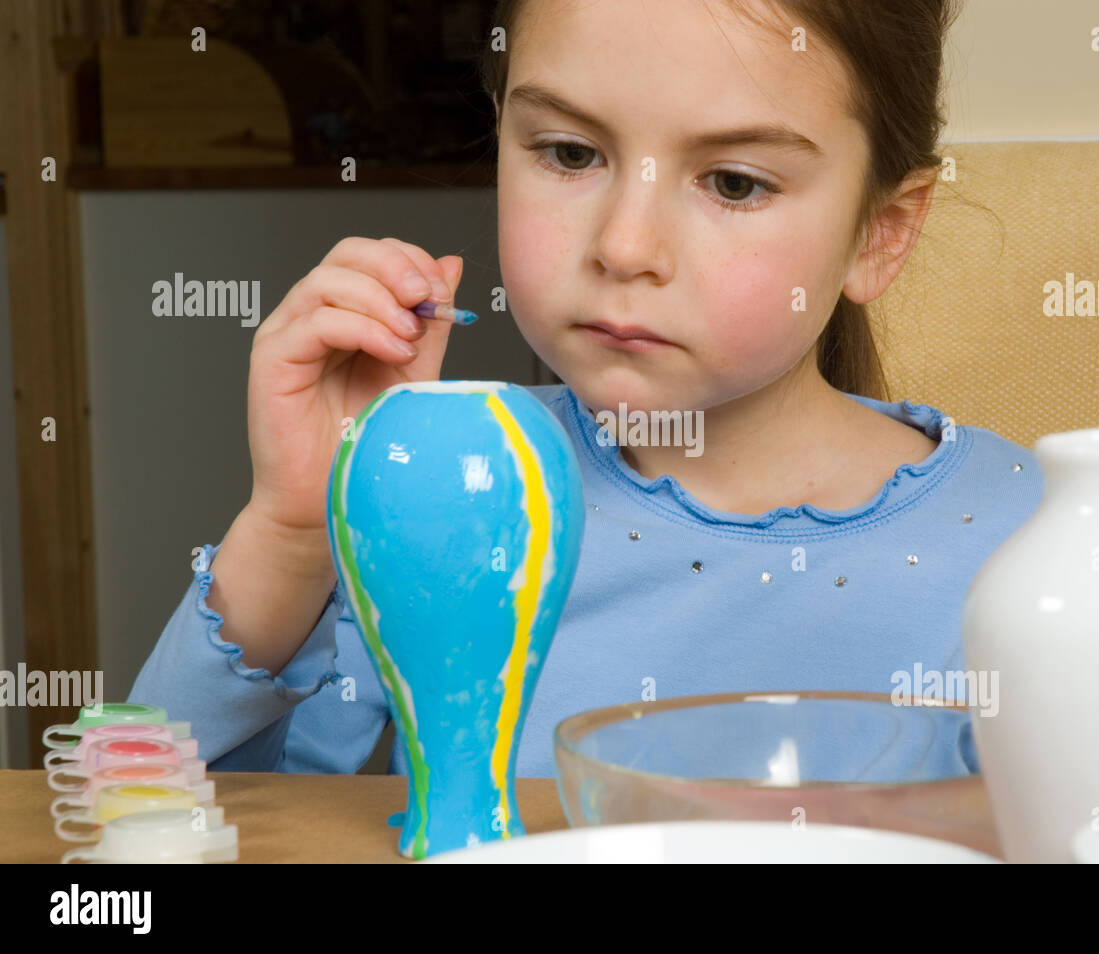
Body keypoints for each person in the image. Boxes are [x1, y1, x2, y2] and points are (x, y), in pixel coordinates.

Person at [130, 0, 1041, 780]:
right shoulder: (447, 498)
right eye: (568, 154)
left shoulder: (1035, 546)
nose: (625, 246)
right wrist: (294, 536)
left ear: (880, 233)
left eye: (733, 181)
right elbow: (147, 838)